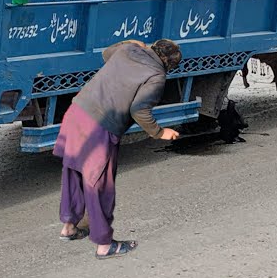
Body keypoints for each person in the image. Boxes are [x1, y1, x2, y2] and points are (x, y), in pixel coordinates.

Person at [54, 38, 182, 259]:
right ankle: (104, 245)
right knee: (99, 184)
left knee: (73, 172)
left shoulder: (128, 49)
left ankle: (69, 227)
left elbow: (106, 54)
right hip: (100, 126)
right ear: (169, 64)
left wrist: (129, 42)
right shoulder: (156, 76)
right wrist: (160, 132)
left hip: (76, 113)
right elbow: (139, 110)